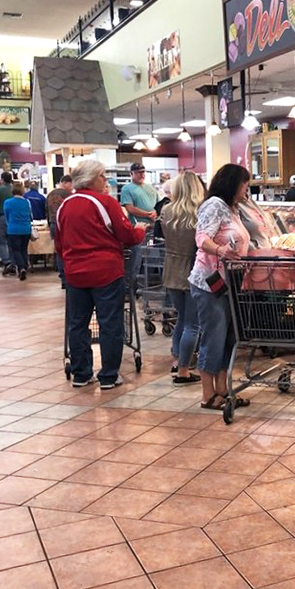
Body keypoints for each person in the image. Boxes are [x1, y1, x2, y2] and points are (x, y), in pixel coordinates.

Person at [55, 159, 146, 390]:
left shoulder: (65, 206)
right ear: (91, 179)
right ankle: (108, 375)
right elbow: (126, 235)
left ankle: (81, 373)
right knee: (110, 323)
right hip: (105, 272)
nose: (105, 180)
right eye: (102, 176)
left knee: (77, 324)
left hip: (75, 273)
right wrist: (139, 231)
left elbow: (59, 242)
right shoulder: (105, 202)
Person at [188, 164, 252, 410]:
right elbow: (201, 238)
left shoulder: (232, 208)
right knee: (213, 337)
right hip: (209, 283)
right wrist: (220, 250)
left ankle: (223, 390)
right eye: (243, 184)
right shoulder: (214, 205)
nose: (246, 188)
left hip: (230, 283)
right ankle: (208, 394)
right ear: (232, 183)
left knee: (228, 338)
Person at [160, 172, 204, 385]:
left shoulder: (166, 211)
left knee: (181, 318)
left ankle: (177, 359)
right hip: (193, 268)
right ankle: (184, 370)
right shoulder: (199, 213)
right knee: (192, 324)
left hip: (171, 267)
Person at [120, 162, 157, 278]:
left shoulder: (150, 188)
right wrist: (147, 214)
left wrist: (156, 212)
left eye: (143, 172)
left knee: (153, 258)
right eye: (138, 173)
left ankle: (147, 283)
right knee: (136, 259)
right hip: (138, 228)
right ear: (132, 174)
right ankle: (132, 285)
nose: (141, 175)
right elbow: (130, 208)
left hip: (153, 228)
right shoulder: (127, 189)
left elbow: (159, 204)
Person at [47, 174, 73, 285]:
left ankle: (63, 277)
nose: (72, 187)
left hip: (53, 224)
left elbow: (46, 211)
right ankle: (68, 277)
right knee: (69, 250)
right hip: (65, 224)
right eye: (71, 184)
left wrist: (49, 224)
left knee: (59, 251)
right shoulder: (69, 195)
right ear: (66, 183)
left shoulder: (50, 194)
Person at [3, 183, 32, 280]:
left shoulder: (8, 202)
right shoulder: (27, 202)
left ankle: (21, 267)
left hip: (13, 229)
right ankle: (24, 266)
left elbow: (6, 216)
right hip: (26, 228)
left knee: (16, 250)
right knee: (24, 249)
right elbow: (30, 215)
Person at [0, 170, 14, 274]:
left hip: (2, 218)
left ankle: (7, 261)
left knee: (0, 241)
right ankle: (13, 261)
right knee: (10, 241)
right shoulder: (14, 189)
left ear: (2, 180)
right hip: (13, 219)